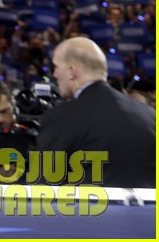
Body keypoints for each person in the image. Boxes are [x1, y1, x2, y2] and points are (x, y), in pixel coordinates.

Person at [36, 37, 156, 187]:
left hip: (90, 210)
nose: (54, 74)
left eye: (56, 67)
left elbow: (43, 191)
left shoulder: (60, 117)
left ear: (71, 71)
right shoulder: (150, 115)